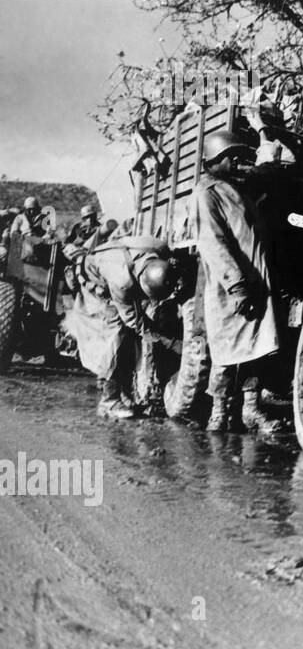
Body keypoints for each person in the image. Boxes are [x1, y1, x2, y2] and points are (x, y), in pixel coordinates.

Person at [194, 128, 284, 434]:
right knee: (227, 349)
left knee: (254, 347)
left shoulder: (236, 189)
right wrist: (236, 284)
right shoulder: (208, 194)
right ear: (215, 159)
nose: (237, 162)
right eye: (231, 157)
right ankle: (219, 413)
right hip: (230, 287)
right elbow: (214, 244)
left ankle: (251, 410)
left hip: (256, 283)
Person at [66, 239, 179, 419]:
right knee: (118, 334)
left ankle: (125, 395)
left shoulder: (158, 247)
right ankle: (108, 402)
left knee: (129, 336)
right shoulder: (122, 282)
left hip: (113, 267)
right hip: (95, 283)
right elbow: (134, 321)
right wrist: (168, 342)